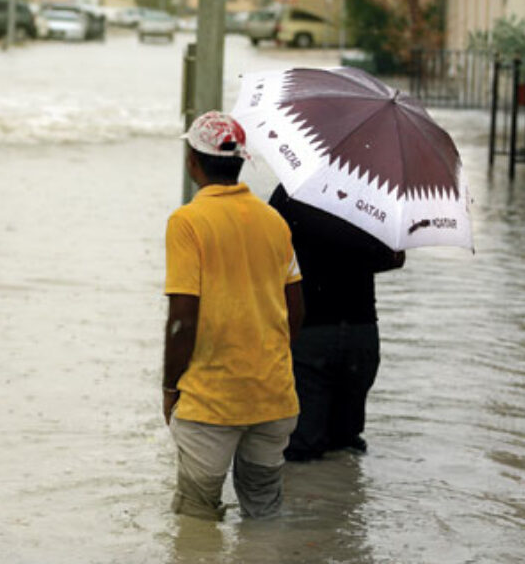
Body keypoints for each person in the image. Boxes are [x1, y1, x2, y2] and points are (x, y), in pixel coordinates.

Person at [163, 111, 305, 521]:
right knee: (264, 512)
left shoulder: (187, 221)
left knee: (196, 518)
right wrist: (269, 365)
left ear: (193, 160)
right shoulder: (273, 221)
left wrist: (171, 388)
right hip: (274, 396)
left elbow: (182, 320)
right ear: (239, 161)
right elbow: (296, 308)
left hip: (211, 400)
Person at [269, 185, 405, 462]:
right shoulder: (374, 196)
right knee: (346, 444)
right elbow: (395, 257)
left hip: (310, 331)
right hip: (361, 333)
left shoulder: (292, 193)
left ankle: (316, 501)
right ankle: (347, 501)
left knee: (302, 451)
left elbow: (267, 253)